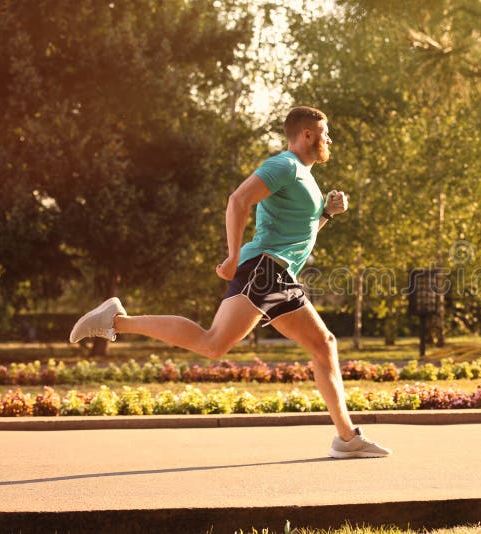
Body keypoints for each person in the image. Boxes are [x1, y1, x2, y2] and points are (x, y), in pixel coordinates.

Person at [69, 106, 391, 459]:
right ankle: (346, 437)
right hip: (267, 268)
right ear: (308, 134)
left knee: (213, 344)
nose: (329, 139)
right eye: (325, 132)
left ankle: (116, 320)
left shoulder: (305, 177)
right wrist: (234, 255)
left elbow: (299, 235)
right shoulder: (284, 165)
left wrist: (327, 213)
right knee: (323, 344)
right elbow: (238, 200)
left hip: (267, 269)